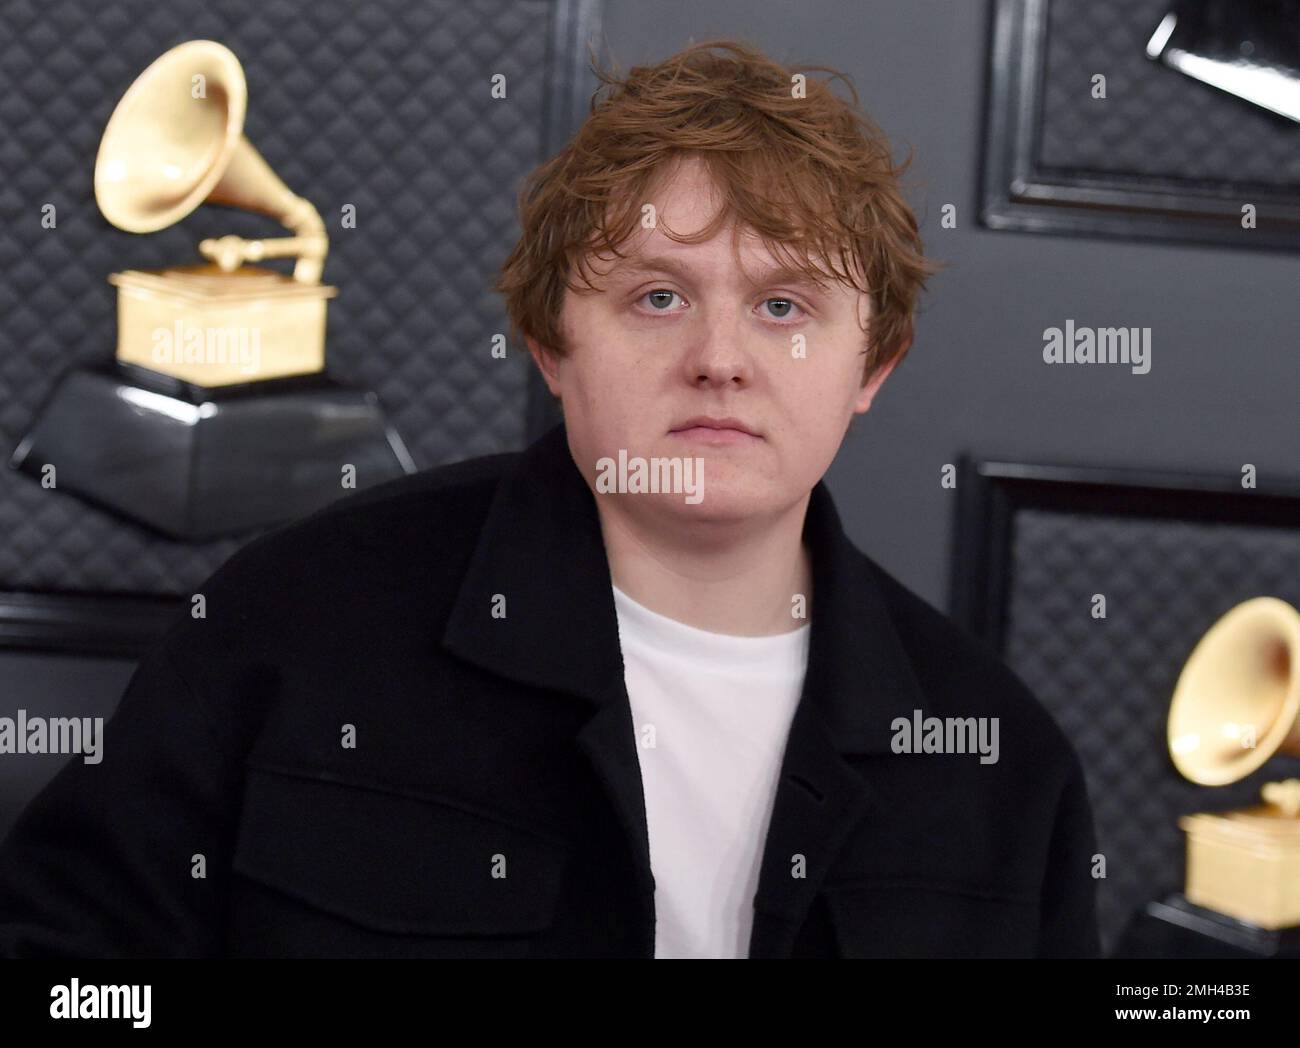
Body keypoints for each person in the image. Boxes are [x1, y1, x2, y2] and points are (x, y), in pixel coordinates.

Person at [0, 39, 1101, 959]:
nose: (720, 358)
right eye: (657, 295)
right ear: (549, 344)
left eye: (783, 304)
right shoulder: (290, 617)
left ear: (875, 365)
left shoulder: (1003, 764)